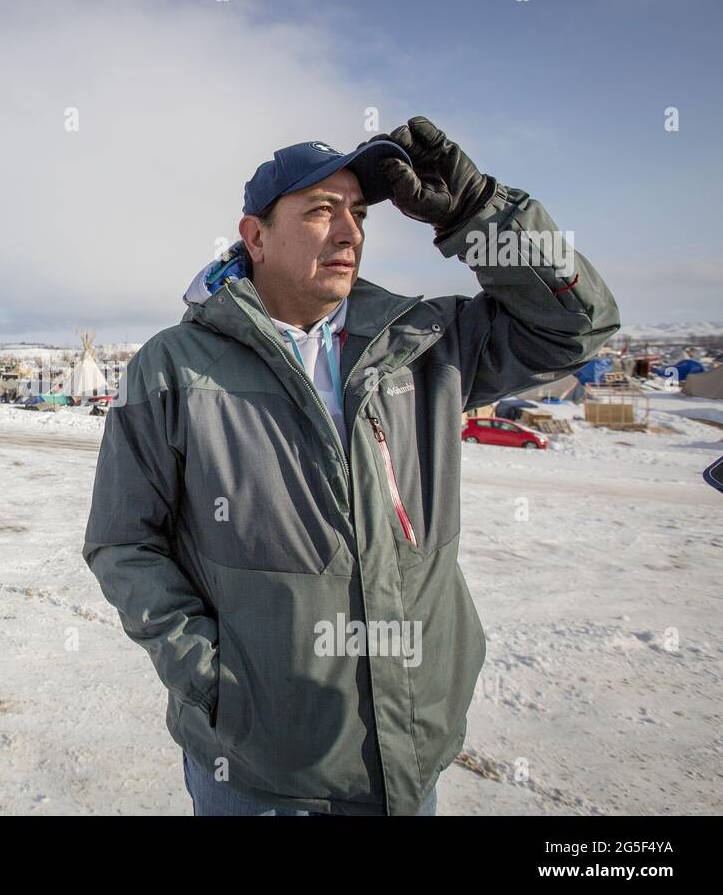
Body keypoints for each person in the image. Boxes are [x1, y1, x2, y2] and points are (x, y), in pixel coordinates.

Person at [82, 117, 620, 815]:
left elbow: (578, 328)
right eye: (319, 211)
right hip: (258, 766)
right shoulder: (173, 370)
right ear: (256, 237)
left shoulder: (422, 344)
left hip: (411, 751)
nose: (349, 232)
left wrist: (478, 210)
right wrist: (217, 679)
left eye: (359, 214)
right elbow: (123, 542)